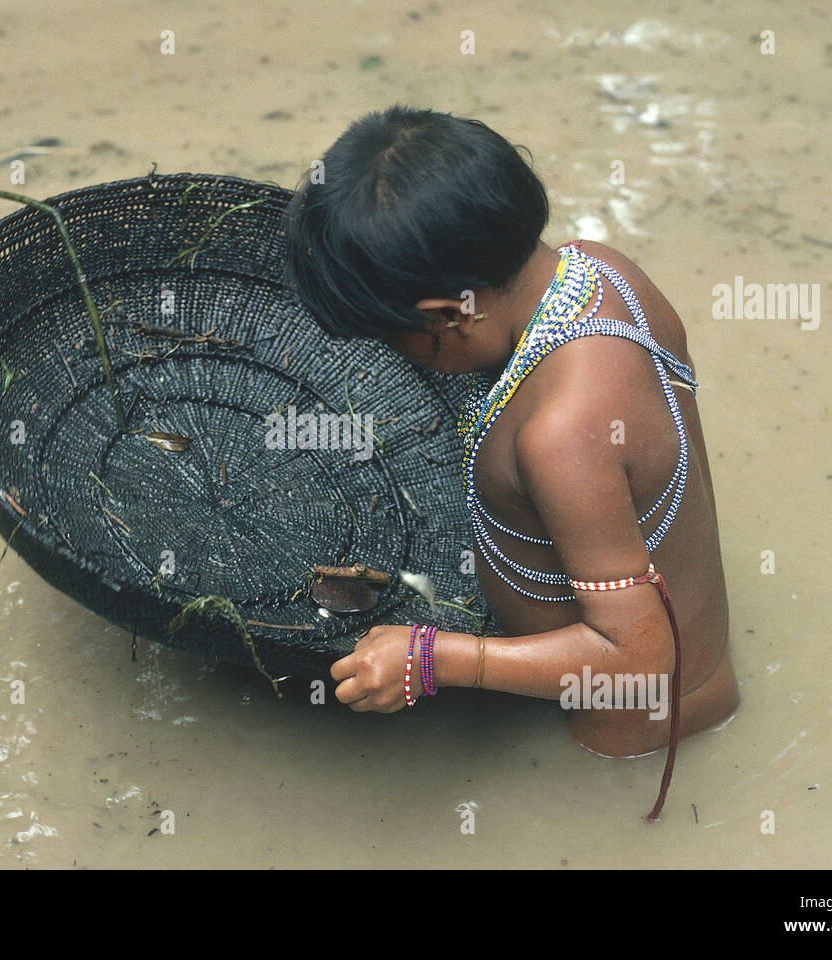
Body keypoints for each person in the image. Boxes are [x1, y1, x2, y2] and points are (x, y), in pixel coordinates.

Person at [283, 104, 738, 819]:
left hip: (625, 733)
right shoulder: (600, 270)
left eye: (391, 336)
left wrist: (438, 658)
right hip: (680, 675)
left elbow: (640, 662)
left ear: (453, 315)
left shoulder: (562, 436)